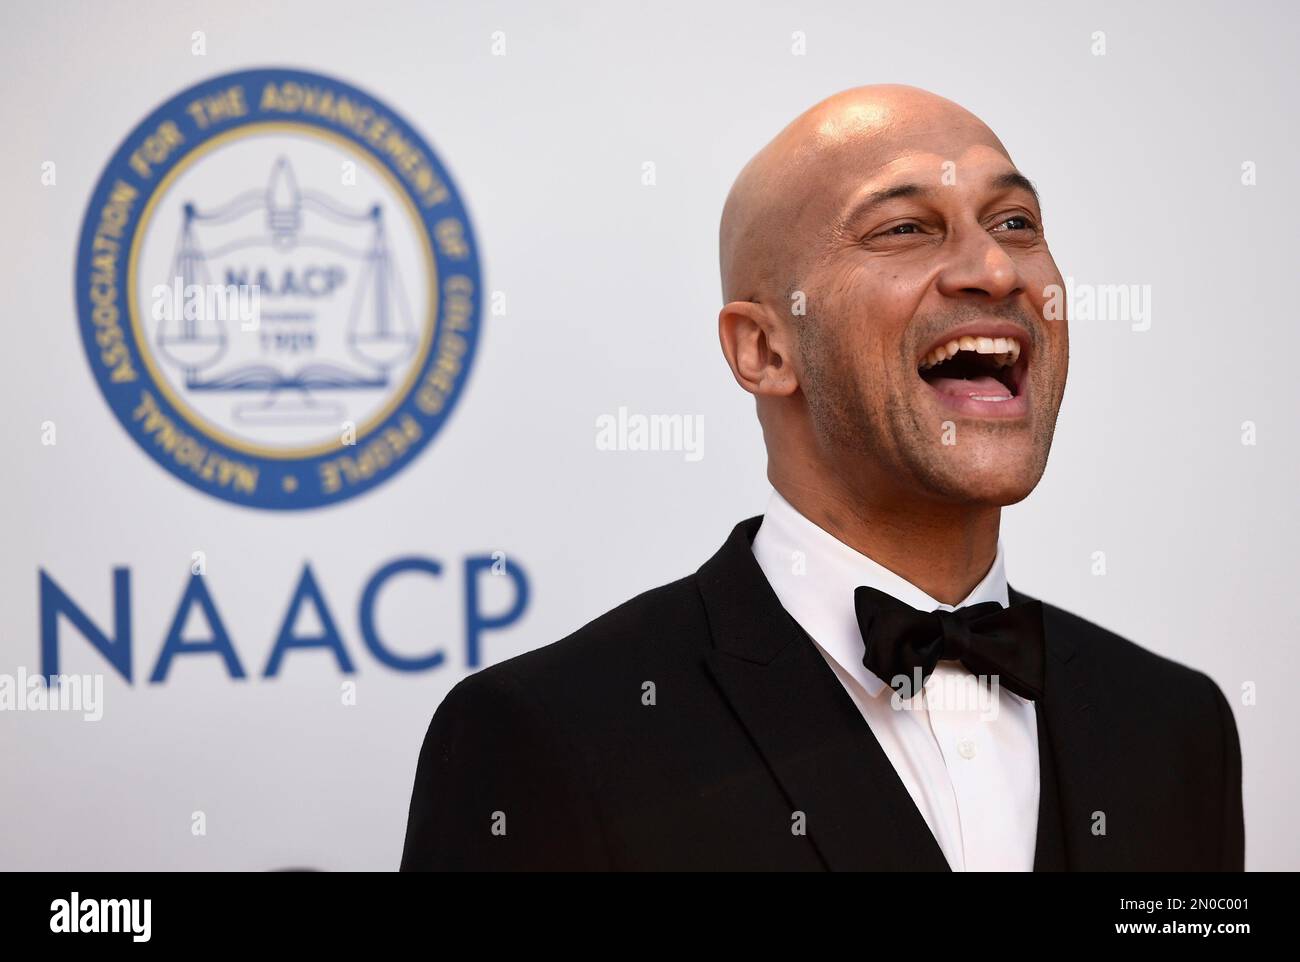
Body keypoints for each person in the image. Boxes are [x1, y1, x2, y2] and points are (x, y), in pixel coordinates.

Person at [400, 84, 1245, 871]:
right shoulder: (549, 735)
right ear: (764, 349)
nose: (994, 269)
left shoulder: (1175, 726)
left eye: (1017, 222)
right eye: (906, 229)